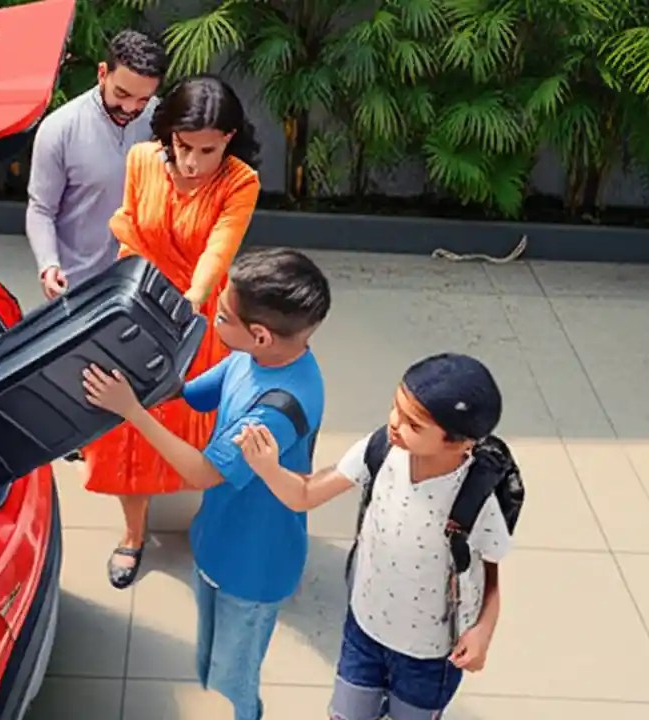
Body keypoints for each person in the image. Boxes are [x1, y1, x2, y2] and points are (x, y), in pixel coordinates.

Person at [82, 248, 332, 720]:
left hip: (255, 565)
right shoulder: (253, 359)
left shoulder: (279, 407)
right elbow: (192, 395)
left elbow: (202, 472)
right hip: (217, 540)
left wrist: (130, 411)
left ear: (260, 334)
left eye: (222, 316)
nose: (212, 319)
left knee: (231, 680)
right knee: (209, 661)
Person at [235, 353, 513, 720]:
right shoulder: (380, 450)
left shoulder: (476, 500)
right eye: (395, 407)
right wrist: (268, 468)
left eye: (413, 424)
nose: (394, 423)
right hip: (363, 631)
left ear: (459, 443)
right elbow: (305, 494)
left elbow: (490, 575)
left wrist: (482, 632)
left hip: (430, 657)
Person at [83, 73, 263, 590]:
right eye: (183, 146)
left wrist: (190, 303)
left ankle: (213, 524)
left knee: (206, 427)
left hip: (197, 316)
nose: (191, 162)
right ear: (168, 135)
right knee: (125, 428)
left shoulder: (240, 182)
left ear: (228, 139)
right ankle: (133, 533)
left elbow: (219, 250)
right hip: (138, 299)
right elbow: (129, 228)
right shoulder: (141, 159)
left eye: (207, 150)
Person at [24, 29, 168, 300]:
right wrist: (48, 265)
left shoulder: (157, 118)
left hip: (140, 282)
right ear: (103, 73)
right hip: (77, 285)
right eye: (121, 93)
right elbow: (41, 209)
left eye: (142, 100)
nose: (129, 108)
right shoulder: (59, 129)